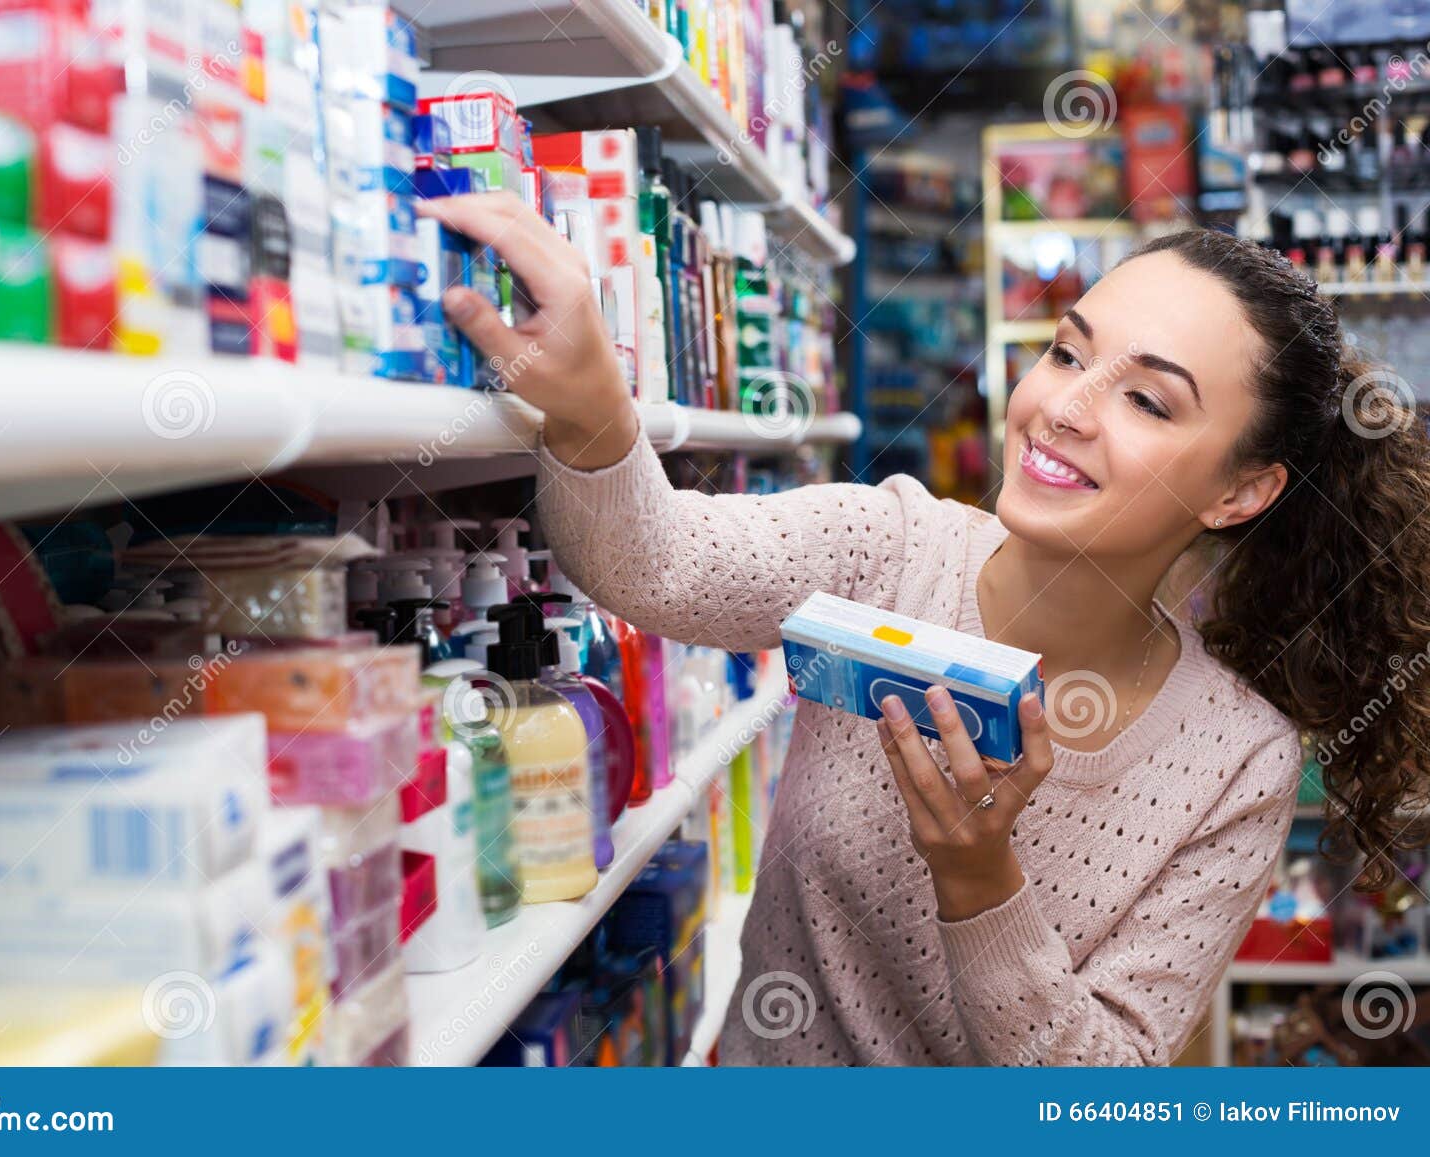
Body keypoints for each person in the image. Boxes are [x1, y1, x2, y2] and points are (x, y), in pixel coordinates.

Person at [417, 192, 1430, 1066]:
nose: (1063, 407)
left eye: (1146, 400)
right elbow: (657, 565)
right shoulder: (886, 547)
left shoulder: (1233, 759)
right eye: (1066, 350)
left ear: (1239, 490)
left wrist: (979, 879)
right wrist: (594, 408)